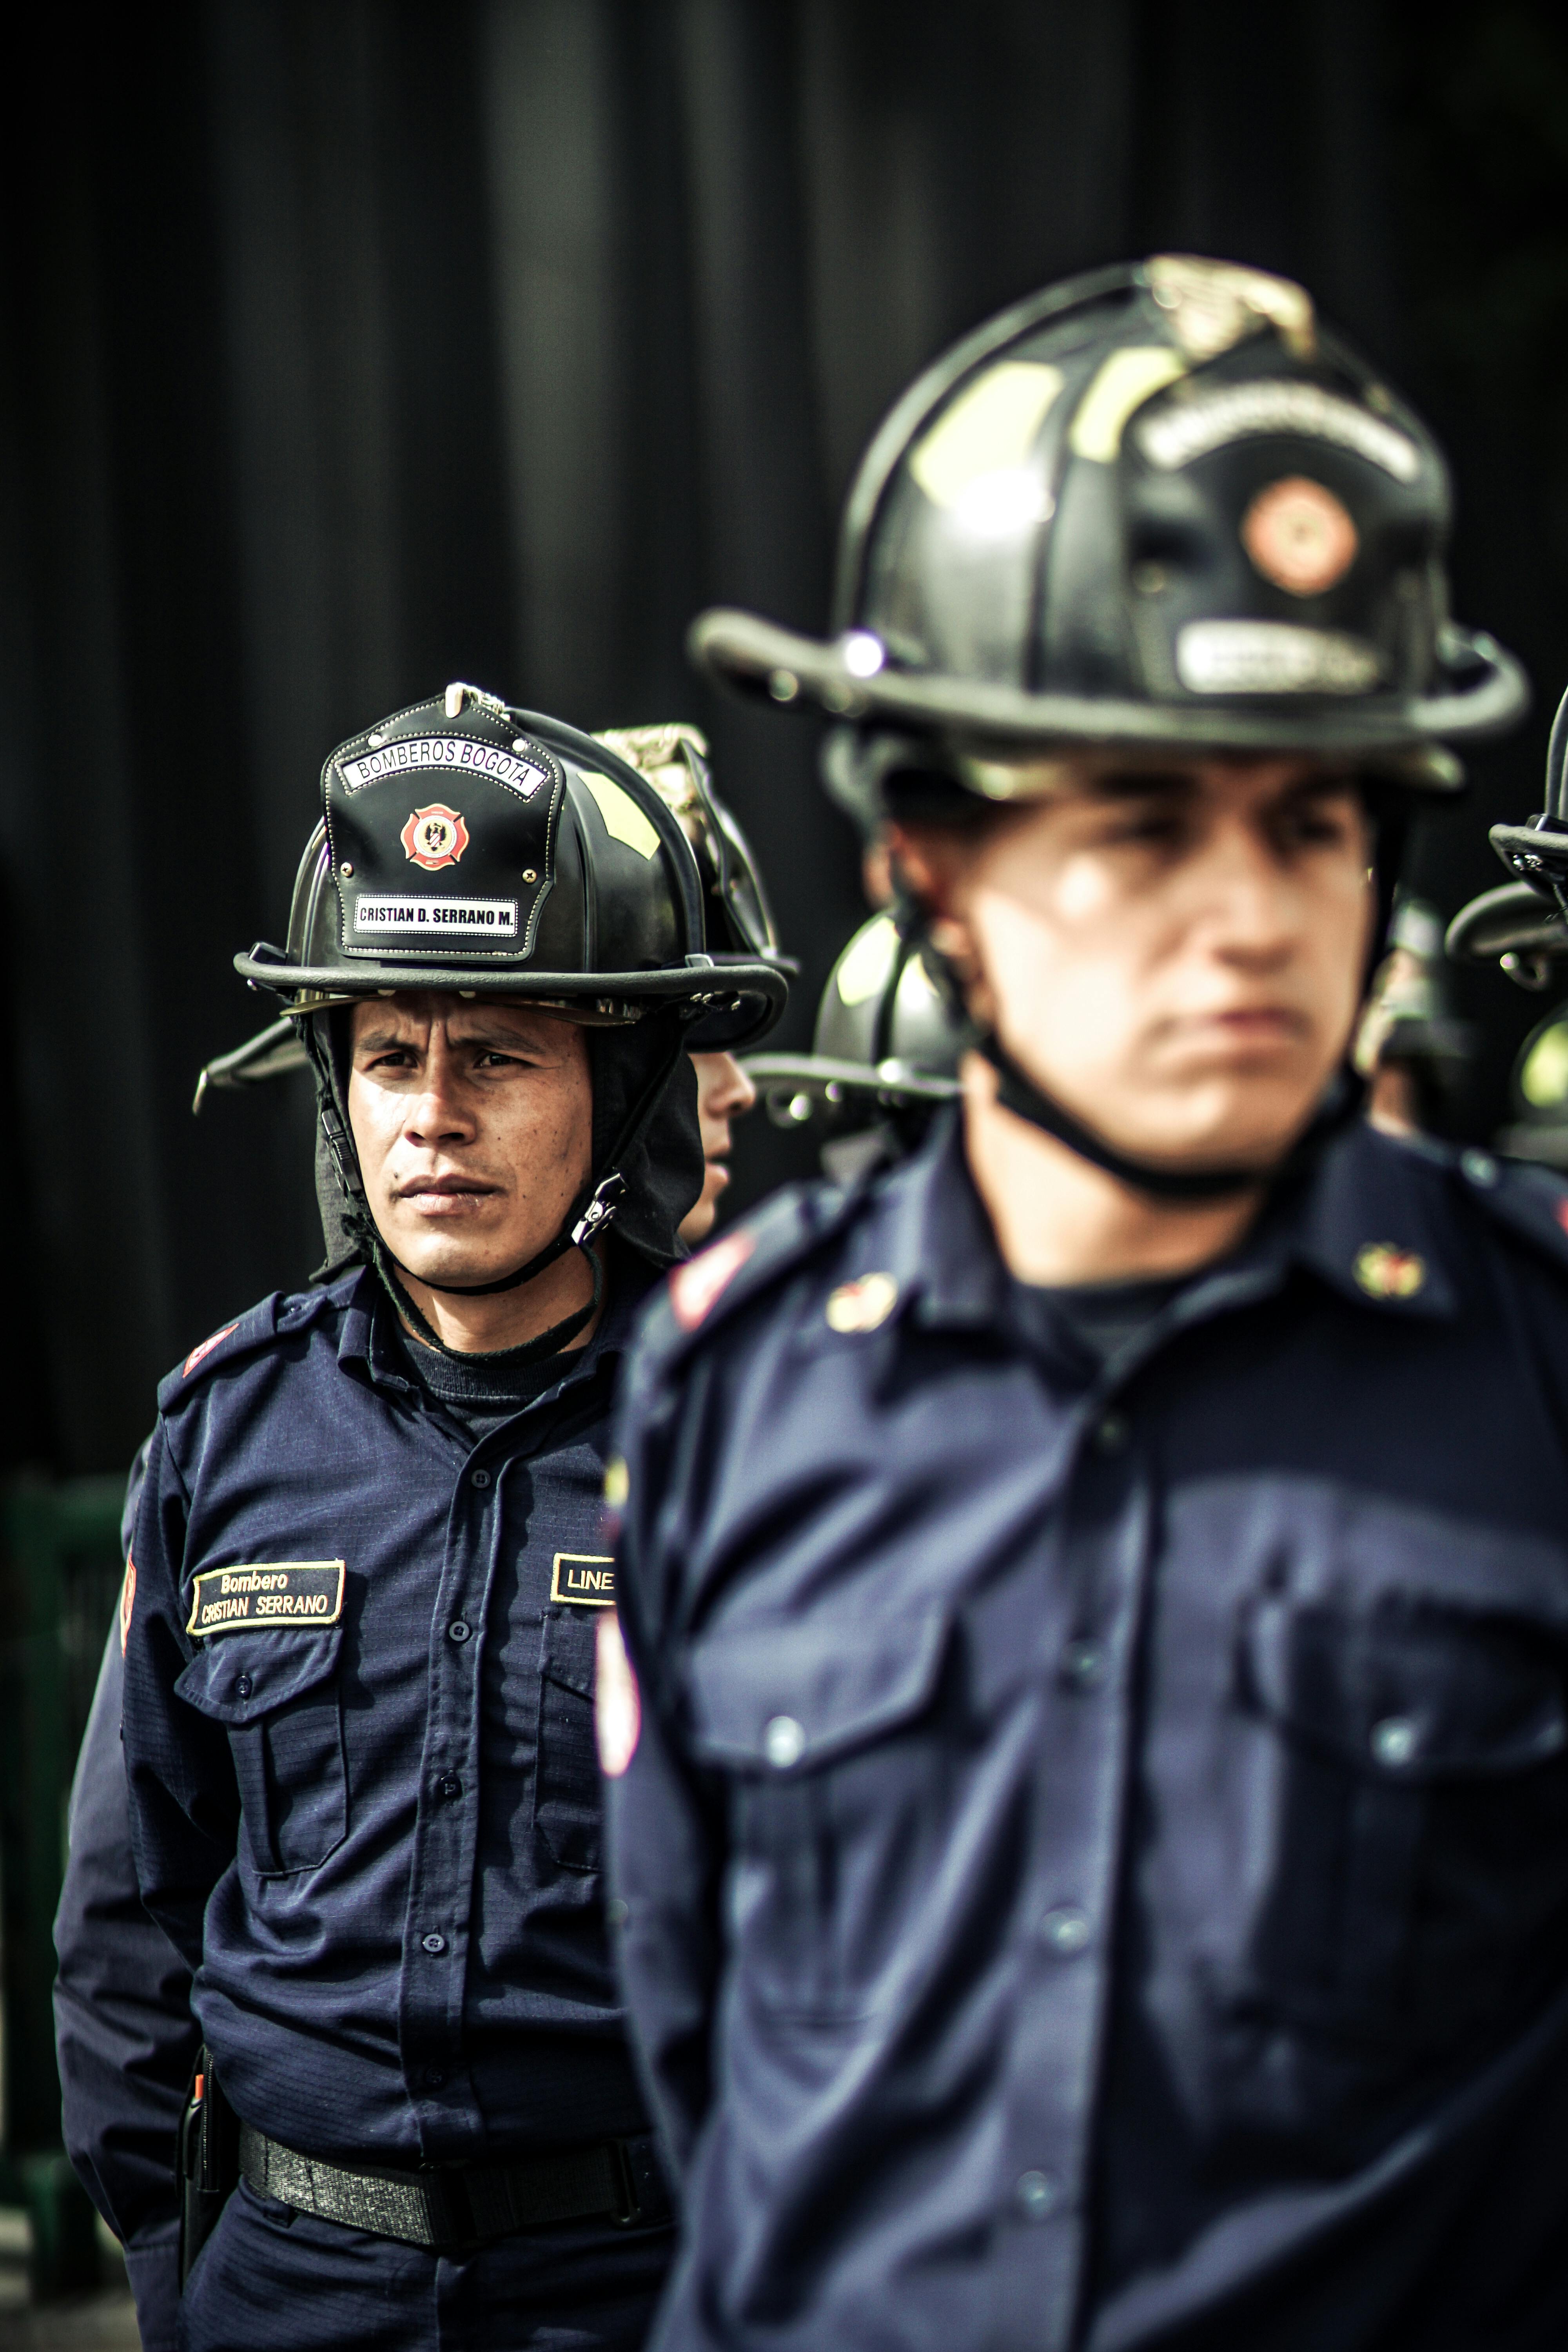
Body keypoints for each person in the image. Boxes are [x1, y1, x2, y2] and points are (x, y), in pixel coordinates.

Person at [598, 259, 1568, 2352]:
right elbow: (713, 2073)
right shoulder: (729, 1390)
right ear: (925, 870)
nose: (1253, 916)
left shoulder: (1541, 1372)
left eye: (1315, 824)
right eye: (1142, 825)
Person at [54, 707, 781, 2350]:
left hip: (643, 2292)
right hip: (284, 2293)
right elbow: (121, 1932)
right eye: (391, 1056)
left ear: (612, 1087)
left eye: (499, 1057)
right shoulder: (225, 1431)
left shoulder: (752, 1433)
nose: (432, 1115)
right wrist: (188, 2287)